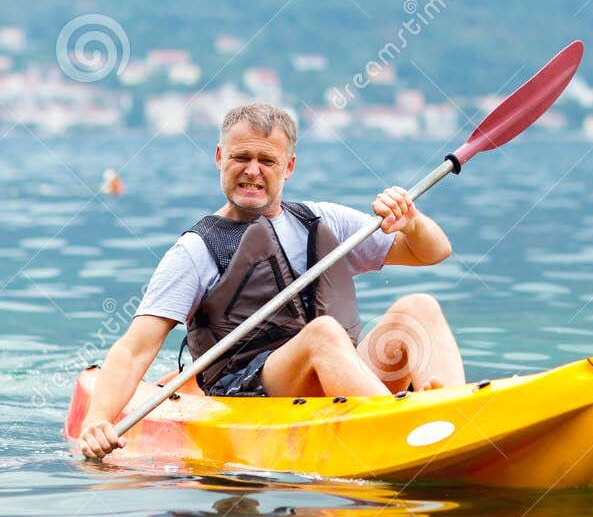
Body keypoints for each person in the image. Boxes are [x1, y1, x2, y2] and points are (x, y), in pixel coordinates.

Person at [76, 103, 463, 460]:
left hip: (333, 377)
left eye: (267, 160)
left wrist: (413, 223)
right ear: (219, 158)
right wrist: (98, 420)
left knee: (419, 308)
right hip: (245, 389)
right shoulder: (196, 250)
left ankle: (453, 416)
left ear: (289, 166)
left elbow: (432, 252)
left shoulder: (324, 220)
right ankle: (404, 432)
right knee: (324, 333)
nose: (252, 170)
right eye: (241, 157)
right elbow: (135, 348)